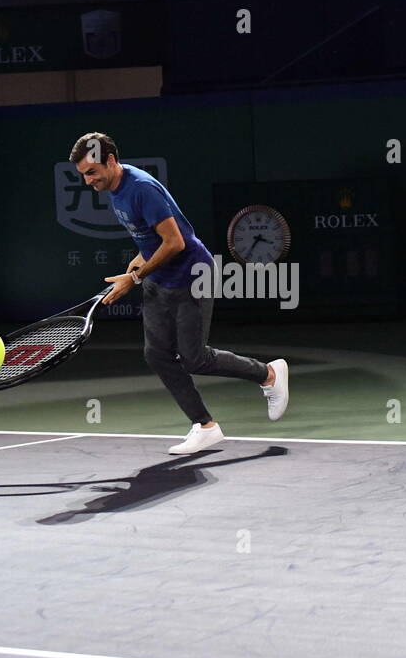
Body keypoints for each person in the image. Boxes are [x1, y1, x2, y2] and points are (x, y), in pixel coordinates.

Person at [69, 132, 290, 455]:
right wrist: (139, 263)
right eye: (83, 175)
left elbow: (176, 242)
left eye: (92, 172)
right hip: (160, 279)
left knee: (194, 357)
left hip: (192, 276)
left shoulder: (141, 188)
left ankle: (269, 374)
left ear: (111, 161)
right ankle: (205, 426)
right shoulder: (114, 189)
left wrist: (135, 278)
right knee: (157, 354)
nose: (88, 181)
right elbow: (150, 238)